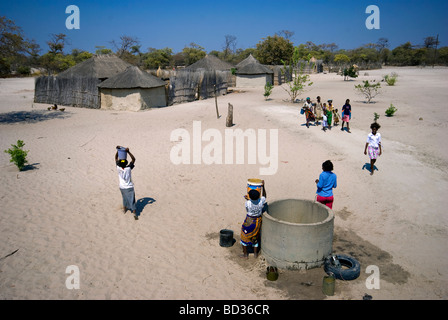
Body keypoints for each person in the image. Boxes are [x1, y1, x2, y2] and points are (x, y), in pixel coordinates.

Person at [241, 181, 267, 259]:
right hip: (257, 221)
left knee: (244, 236)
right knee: (255, 237)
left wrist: (247, 199)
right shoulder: (261, 201)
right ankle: (255, 254)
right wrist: (263, 187)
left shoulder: (248, 203)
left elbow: (247, 208)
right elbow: (264, 196)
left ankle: (245, 255)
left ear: (250, 197)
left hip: (249, 220)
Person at [115, 147, 138, 220]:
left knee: (124, 198)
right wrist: (128, 152)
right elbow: (134, 159)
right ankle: (134, 213)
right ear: (126, 163)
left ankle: (124, 209)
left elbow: (115, 158)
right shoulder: (128, 169)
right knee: (132, 200)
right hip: (129, 187)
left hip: (122, 187)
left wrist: (118, 151)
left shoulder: (118, 168)